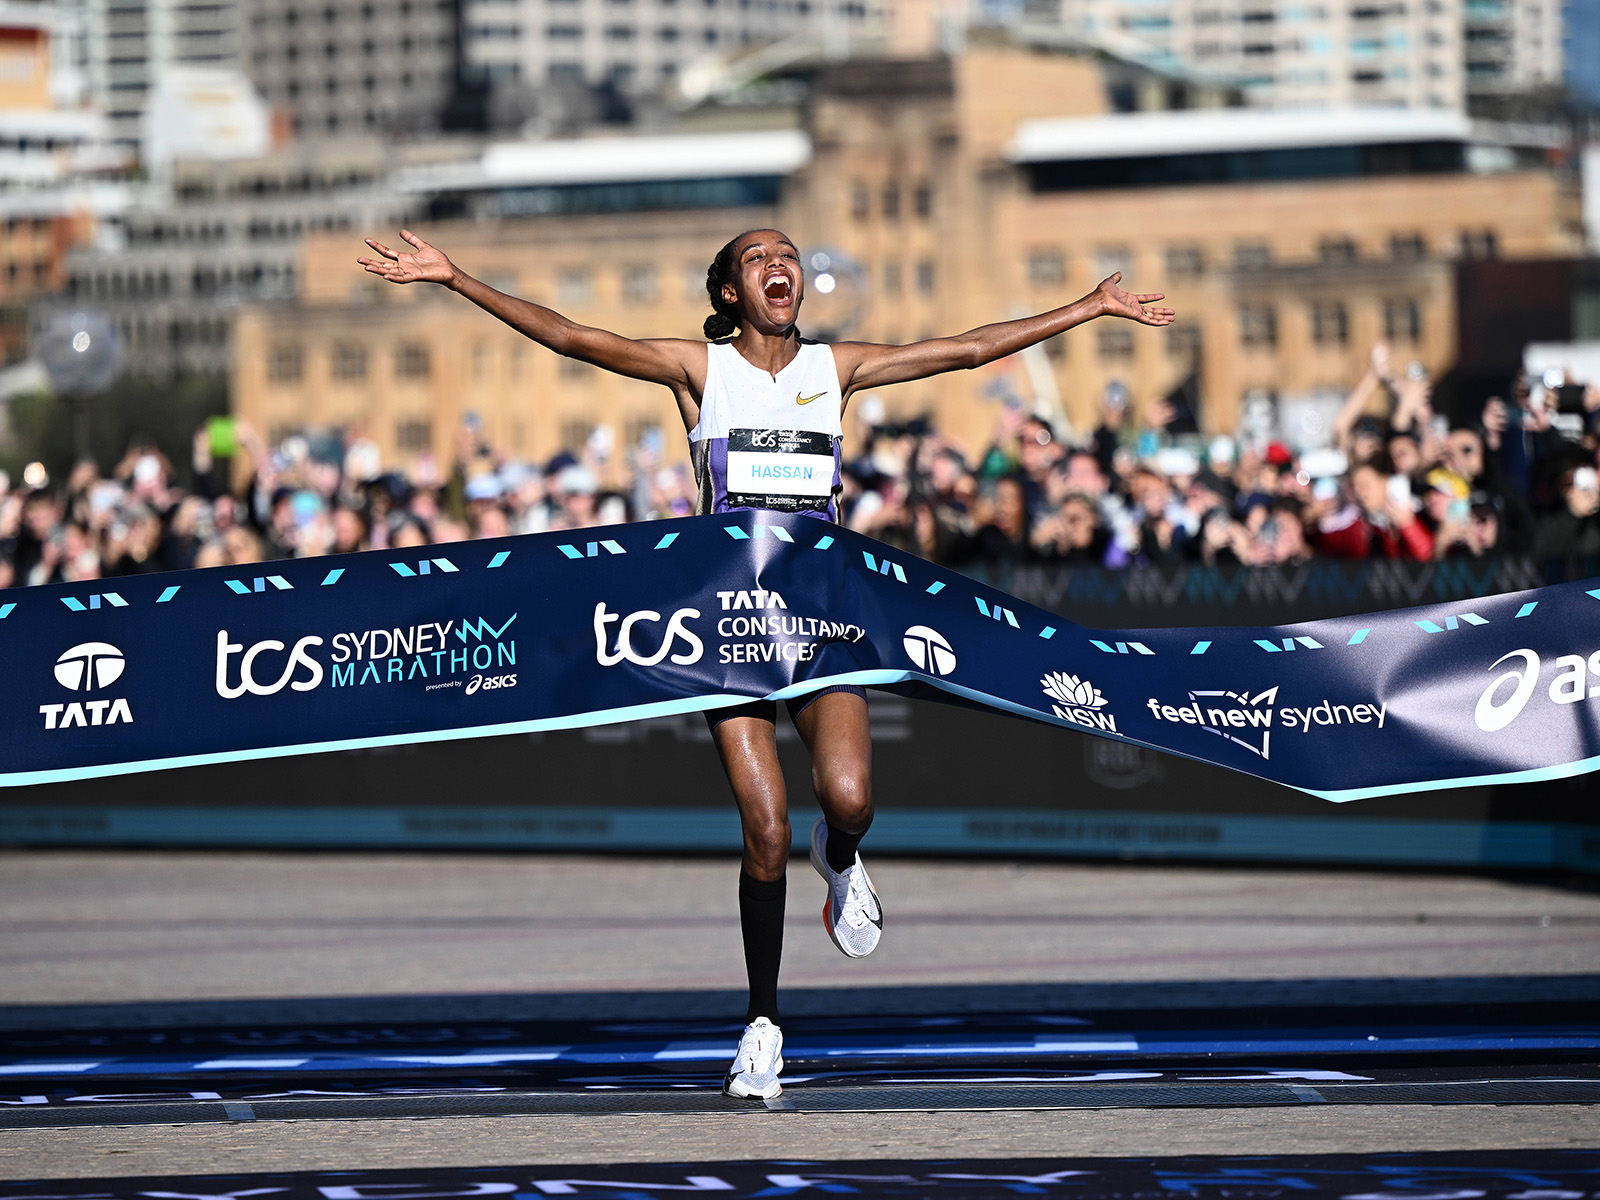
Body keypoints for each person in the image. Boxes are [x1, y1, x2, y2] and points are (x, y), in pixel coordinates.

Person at [358, 226, 1173, 1099]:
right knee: (766, 830)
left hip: (821, 619)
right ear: (729, 295)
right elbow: (567, 335)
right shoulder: (701, 372)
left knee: (850, 800)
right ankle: (762, 1025)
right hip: (729, 627)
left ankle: (843, 855)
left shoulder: (837, 368)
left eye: (786, 255)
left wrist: (1089, 307)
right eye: (757, 258)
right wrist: (454, 278)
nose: (779, 265)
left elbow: (967, 350)